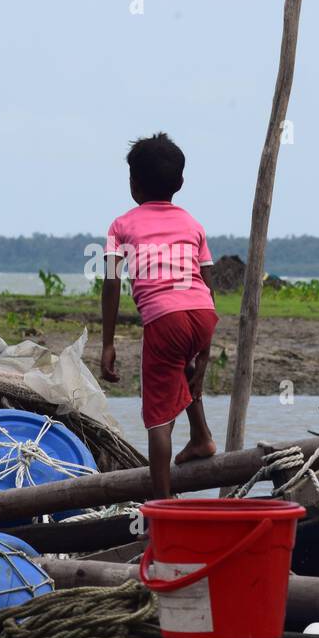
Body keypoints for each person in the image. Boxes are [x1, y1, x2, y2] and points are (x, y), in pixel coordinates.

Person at [99, 132, 218, 500]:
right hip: (201, 313)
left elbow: (111, 281)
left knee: (157, 418)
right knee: (182, 369)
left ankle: (162, 508)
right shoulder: (192, 223)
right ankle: (201, 437)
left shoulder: (121, 226)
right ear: (179, 183)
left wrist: (107, 343)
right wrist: (206, 352)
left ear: (133, 184)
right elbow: (208, 284)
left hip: (165, 320)